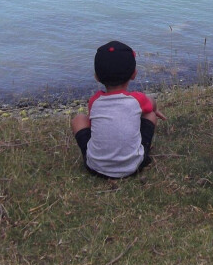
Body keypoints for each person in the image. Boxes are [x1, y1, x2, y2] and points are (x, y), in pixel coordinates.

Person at [71, 40, 165, 178]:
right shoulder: (138, 99)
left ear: (97, 77)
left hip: (95, 168)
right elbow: (150, 103)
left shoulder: (94, 101)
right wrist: (154, 110)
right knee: (149, 114)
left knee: (79, 119)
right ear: (134, 74)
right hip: (135, 166)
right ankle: (141, 149)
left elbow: (93, 125)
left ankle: (97, 156)